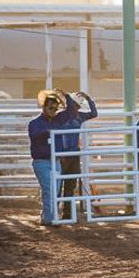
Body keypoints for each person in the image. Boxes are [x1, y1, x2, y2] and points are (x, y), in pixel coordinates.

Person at [27, 89, 82, 225]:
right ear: (44, 107)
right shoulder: (34, 123)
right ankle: (49, 219)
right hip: (42, 161)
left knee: (54, 190)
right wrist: (48, 132)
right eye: (51, 107)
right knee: (49, 189)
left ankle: (47, 215)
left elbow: (72, 112)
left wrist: (67, 97)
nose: (54, 110)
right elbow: (35, 135)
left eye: (56, 108)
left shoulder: (58, 120)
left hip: (55, 160)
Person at [53, 91, 97, 222]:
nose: (76, 107)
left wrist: (89, 98)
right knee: (59, 185)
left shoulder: (79, 116)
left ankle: (67, 213)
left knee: (70, 185)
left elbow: (94, 113)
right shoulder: (61, 116)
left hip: (73, 154)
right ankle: (55, 212)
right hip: (63, 154)